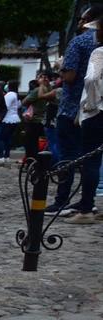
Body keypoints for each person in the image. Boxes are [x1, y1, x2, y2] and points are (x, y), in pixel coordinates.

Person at [49, 5, 103, 214]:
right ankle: (86, 203)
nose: (79, 23)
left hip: (74, 107)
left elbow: (71, 76)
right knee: (91, 159)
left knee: (67, 156)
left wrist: (60, 68)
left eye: (82, 19)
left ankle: (61, 200)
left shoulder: (79, 42)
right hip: (96, 110)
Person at [67, 25, 103, 224]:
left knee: (91, 160)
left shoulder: (99, 52)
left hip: (97, 112)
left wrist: (90, 103)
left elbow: (90, 79)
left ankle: (87, 209)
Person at [22, 73, 54, 160]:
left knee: (31, 144)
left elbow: (24, 101)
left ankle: (31, 163)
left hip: (34, 120)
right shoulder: (52, 90)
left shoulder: (37, 90)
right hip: (47, 120)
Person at [0, 81, 21, 163]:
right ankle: (6, 155)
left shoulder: (10, 94)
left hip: (7, 119)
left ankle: (0, 156)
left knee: (1, 138)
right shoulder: (16, 95)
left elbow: (5, 106)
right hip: (14, 119)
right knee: (8, 138)